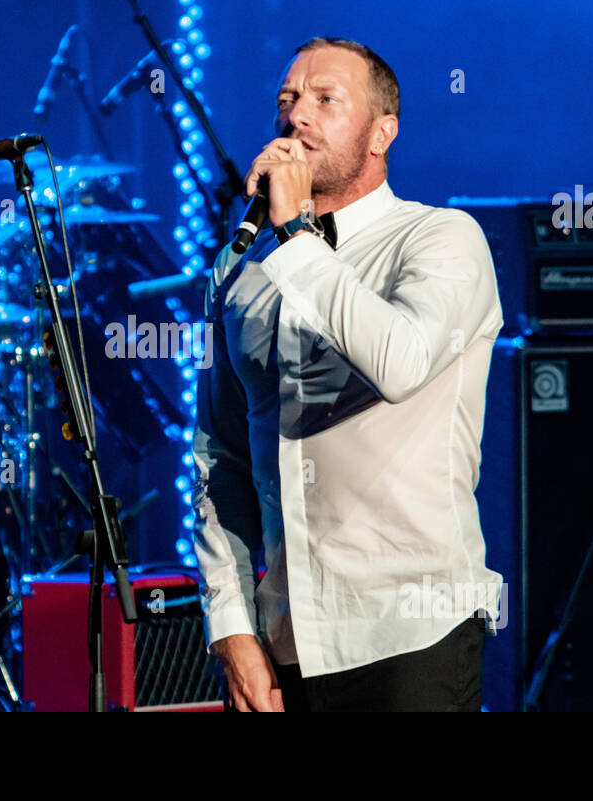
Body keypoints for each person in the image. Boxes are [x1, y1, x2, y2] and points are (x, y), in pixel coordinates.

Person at [194, 37, 505, 712]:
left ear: (382, 132)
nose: (296, 115)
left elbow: (399, 362)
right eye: (287, 99)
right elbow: (219, 455)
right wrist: (231, 624)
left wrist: (295, 234)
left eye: (326, 100)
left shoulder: (441, 239)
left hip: (413, 633)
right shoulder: (241, 272)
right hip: (287, 644)